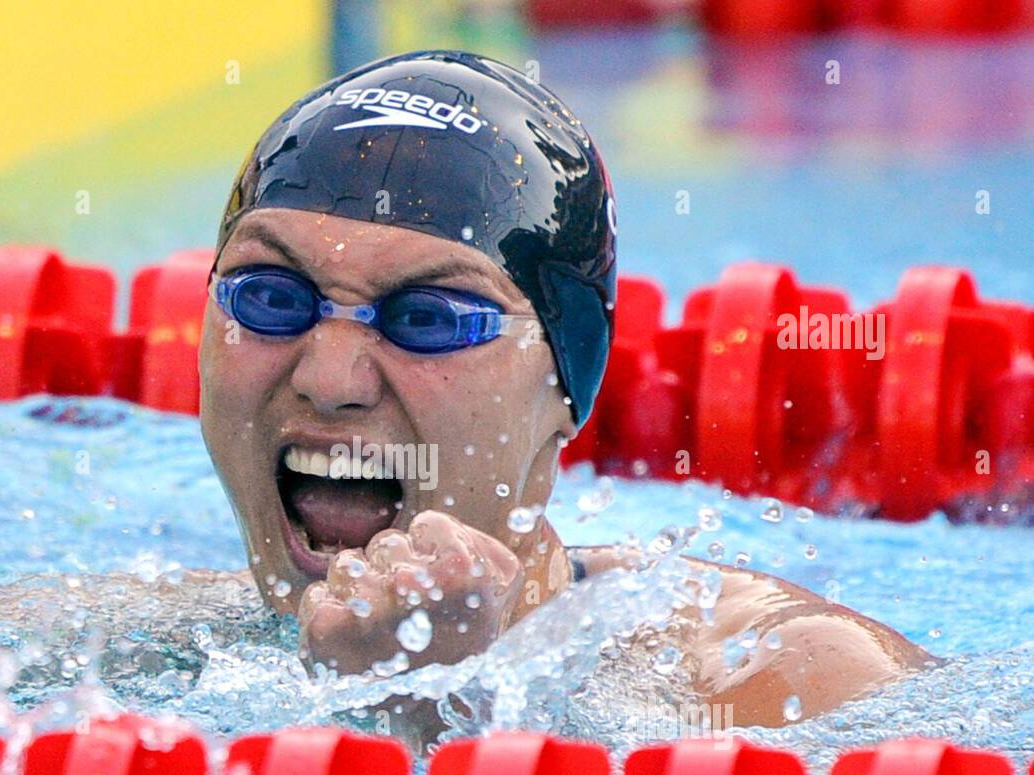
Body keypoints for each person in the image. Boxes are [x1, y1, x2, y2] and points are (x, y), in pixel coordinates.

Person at [194, 50, 930, 727]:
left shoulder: (794, 679)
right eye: (272, 297)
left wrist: (423, 709)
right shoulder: (149, 648)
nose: (329, 379)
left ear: (566, 386)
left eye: (427, 318)